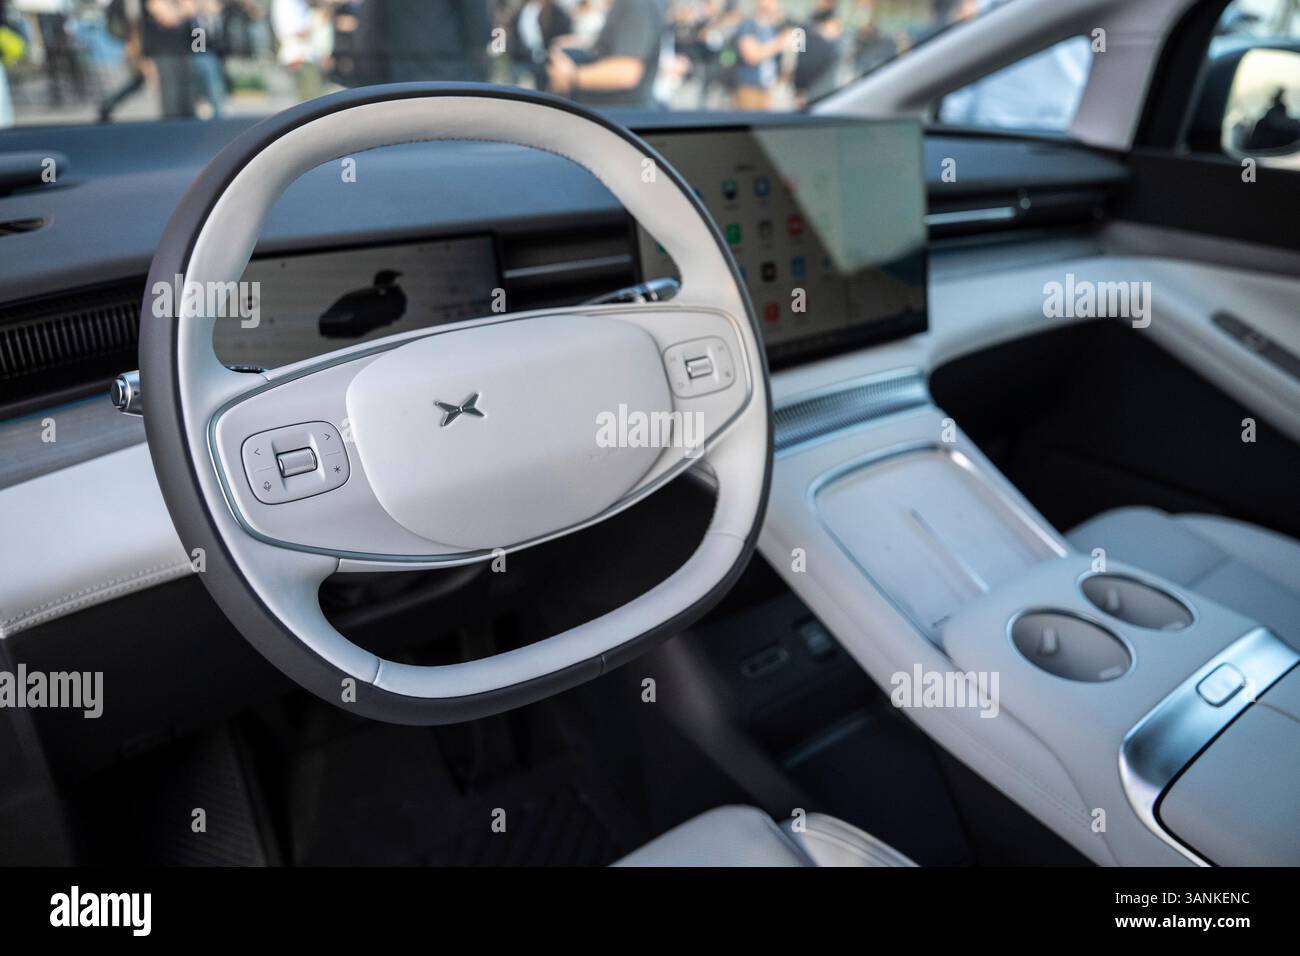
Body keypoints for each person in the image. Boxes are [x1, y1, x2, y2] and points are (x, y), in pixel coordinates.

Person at [546, 0, 667, 109]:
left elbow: (626, 72)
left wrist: (571, 75)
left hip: (621, 115)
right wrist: (584, 44)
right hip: (615, 114)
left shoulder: (636, 4)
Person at [143, 0, 198, 118]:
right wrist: (184, 10)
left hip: (186, 50)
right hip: (165, 53)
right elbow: (168, 18)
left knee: (188, 97)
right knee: (171, 98)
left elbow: (195, 11)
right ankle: (172, 131)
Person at [732, 0, 790, 111]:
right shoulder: (748, 25)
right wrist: (780, 43)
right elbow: (752, 56)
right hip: (750, 90)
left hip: (768, 91)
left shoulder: (774, 29)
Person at [510, 0, 571, 90]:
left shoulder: (556, 13)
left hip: (547, 62)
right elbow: (515, 36)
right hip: (524, 60)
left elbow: (562, 37)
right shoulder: (523, 11)